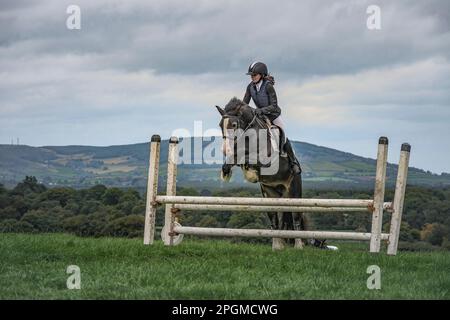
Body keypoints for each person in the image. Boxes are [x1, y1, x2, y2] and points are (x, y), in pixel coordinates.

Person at [243, 61, 301, 174]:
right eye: (251, 75)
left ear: (262, 75)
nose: (252, 77)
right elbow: (244, 103)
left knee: (283, 136)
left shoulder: (268, 86)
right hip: (260, 116)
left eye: (254, 75)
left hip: (273, 115)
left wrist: (260, 110)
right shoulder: (250, 87)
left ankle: (293, 162)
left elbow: (274, 106)